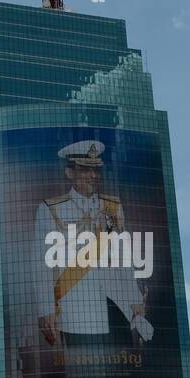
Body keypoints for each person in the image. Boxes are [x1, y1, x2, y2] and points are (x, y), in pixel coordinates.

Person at [34, 140, 150, 354]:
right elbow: (42, 264)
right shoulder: (51, 209)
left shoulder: (113, 206)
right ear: (70, 173)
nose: (93, 175)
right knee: (84, 368)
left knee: (123, 366)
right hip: (76, 305)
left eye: (96, 169)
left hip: (116, 302)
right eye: (85, 169)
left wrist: (134, 298)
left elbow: (123, 257)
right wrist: (46, 310)